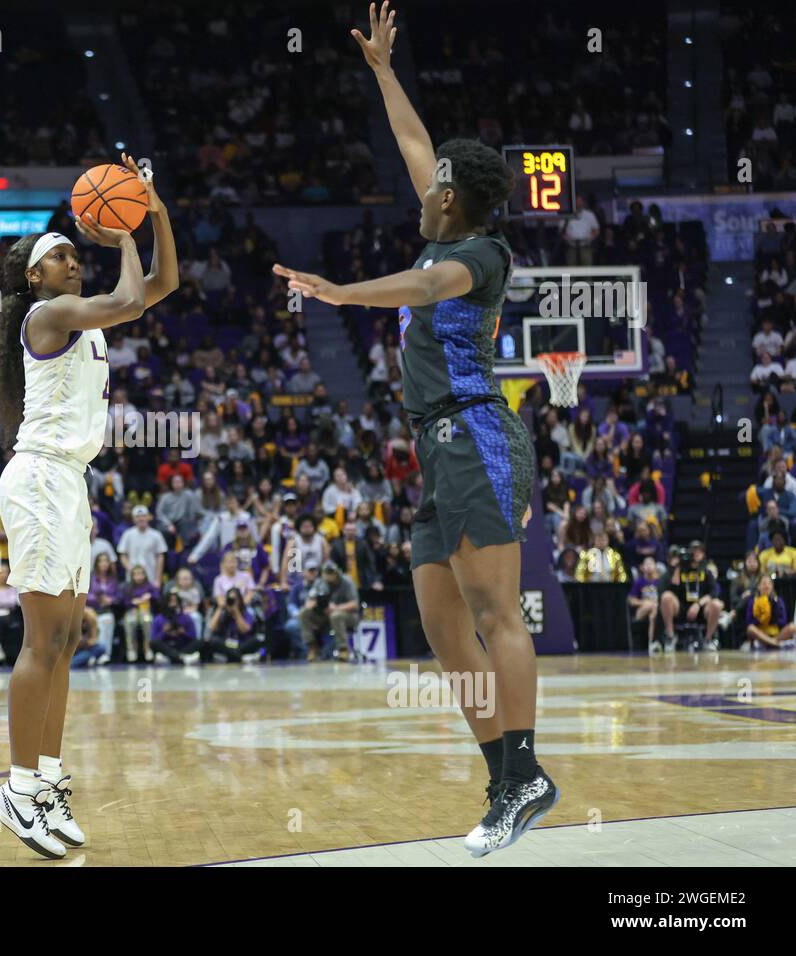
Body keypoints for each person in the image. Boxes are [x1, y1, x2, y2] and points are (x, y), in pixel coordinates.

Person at [272, 2, 556, 857]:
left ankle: (528, 772)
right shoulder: (440, 228)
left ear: (456, 203)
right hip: (438, 447)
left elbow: (423, 295)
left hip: (477, 435)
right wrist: (384, 71)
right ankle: (505, 779)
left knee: (496, 611)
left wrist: (341, 292)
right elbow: (413, 144)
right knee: (439, 623)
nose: (422, 187)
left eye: (436, 186)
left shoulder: (480, 257)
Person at [0, 152, 178, 859]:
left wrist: (151, 211)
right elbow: (132, 296)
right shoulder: (48, 311)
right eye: (61, 254)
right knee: (41, 642)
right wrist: (120, 229)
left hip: (70, 484)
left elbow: (162, 283)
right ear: (36, 275)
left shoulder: (84, 318)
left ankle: (48, 781)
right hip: (37, 480)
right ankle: (16, 789)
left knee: (67, 642)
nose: (72, 261)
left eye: (73, 254)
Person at [298, 561, 361, 661]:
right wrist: (316, 603)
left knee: (336, 615)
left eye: (331, 573)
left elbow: (354, 604)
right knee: (303, 613)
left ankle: (343, 649)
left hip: (348, 615)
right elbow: (308, 603)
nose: (328, 576)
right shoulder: (319, 582)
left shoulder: (346, 581)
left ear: (336, 573)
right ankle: (312, 648)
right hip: (325, 615)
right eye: (326, 573)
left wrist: (336, 607)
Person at [744, 574, 796, 650]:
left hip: (776, 635)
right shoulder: (753, 601)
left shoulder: (778, 600)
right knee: (750, 629)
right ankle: (775, 644)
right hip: (760, 634)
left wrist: (772, 617)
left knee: (792, 627)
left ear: (772, 586)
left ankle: (770, 643)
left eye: (769, 583)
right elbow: (748, 621)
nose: (766, 586)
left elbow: (784, 621)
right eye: (764, 583)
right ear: (758, 586)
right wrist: (761, 619)